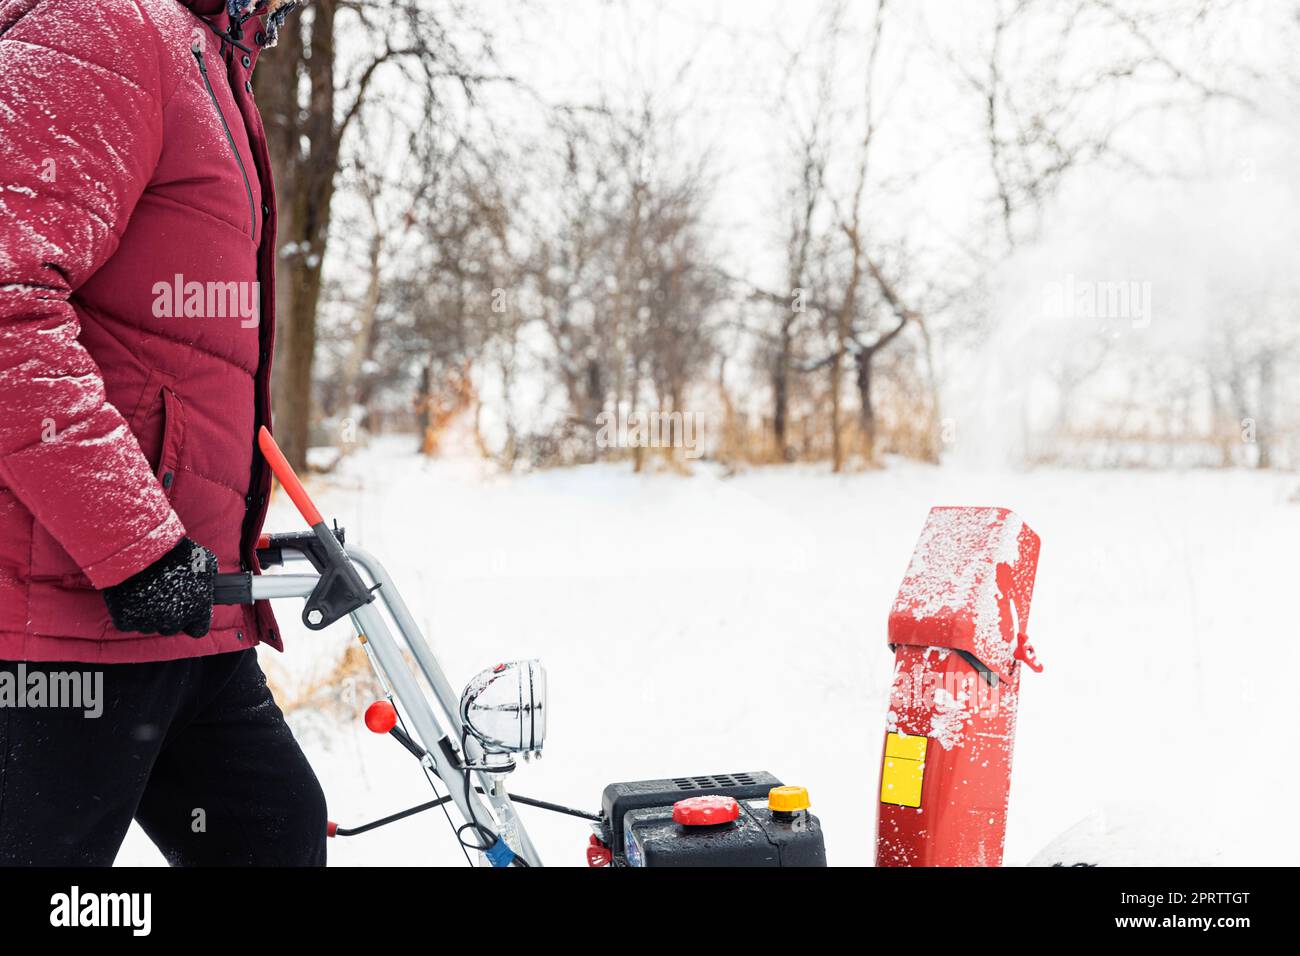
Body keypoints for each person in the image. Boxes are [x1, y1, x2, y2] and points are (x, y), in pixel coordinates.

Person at [0, 0, 325, 865]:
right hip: (61, 624)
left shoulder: (209, 58)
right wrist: (137, 544)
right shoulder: (97, 28)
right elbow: (7, 305)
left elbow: (175, 355)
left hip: (188, 614)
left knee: (273, 837)